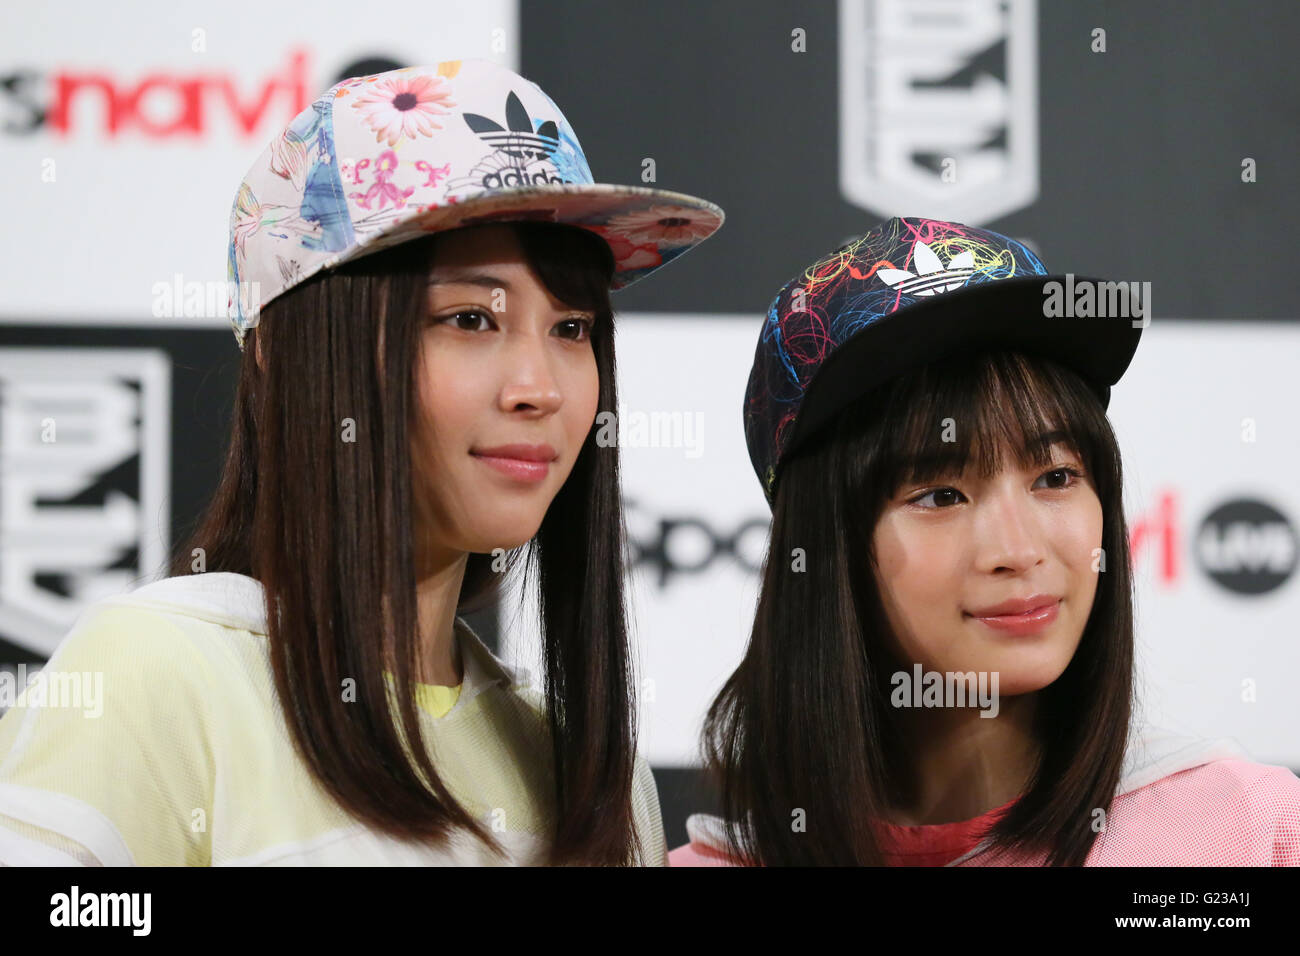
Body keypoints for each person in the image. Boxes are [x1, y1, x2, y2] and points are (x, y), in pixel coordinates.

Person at [0, 59, 724, 866]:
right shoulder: (155, 677)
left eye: (572, 329)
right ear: (292, 349)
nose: (540, 389)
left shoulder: (594, 777)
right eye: (470, 319)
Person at [670, 216, 1300, 866]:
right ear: (826, 543)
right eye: (941, 495)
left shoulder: (1249, 834)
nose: (1018, 549)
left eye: (1055, 476)